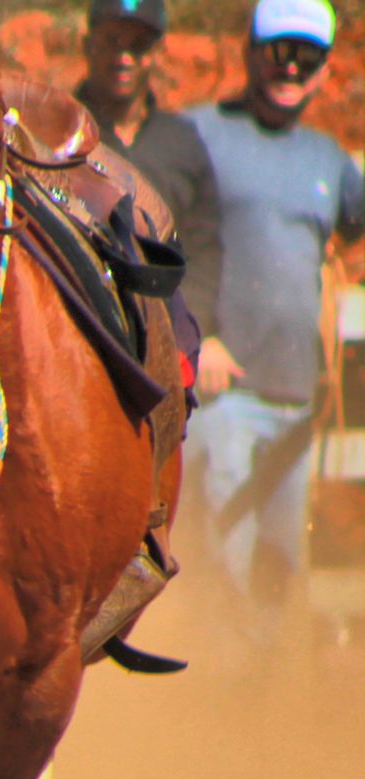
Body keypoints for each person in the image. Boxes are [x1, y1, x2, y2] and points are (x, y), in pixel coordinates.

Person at [177, 0, 363, 632]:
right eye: (279, 50)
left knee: (283, 570)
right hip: (223, 391)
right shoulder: (198, 136)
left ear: (323, 67)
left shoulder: (328, 160)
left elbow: (351, 228)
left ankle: (271, 711)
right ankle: (217, 710)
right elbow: (160, 241)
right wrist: (202, 338)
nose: (291, 67)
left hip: (294, 397)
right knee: (223, 565)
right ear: (251, 51)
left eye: (307, 56)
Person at [74, 0, 221, 344]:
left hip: (166, 341)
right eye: (112, 41)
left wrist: (188, 329)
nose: (123, 58)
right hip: (81, 337)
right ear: (87, 45)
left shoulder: (181, 142)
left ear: (157, 55)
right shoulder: (60, 137)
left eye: (137, 46)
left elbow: (204, 245)